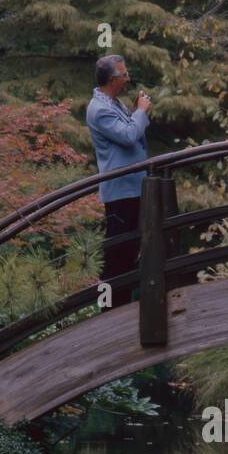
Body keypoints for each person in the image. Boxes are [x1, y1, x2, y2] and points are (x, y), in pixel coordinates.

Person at [85, 54, 151, 308]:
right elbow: (128, 136)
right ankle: (110, 308)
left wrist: (136, 111)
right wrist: (142, 112)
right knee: (118, 252)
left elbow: (134, 133)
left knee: (130, 247)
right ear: (112, 79)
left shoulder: (114, 103)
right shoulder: (99, 108)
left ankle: (124, 304)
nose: (128, 78)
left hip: (132, 185)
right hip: (120, 189)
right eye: (124, 75)